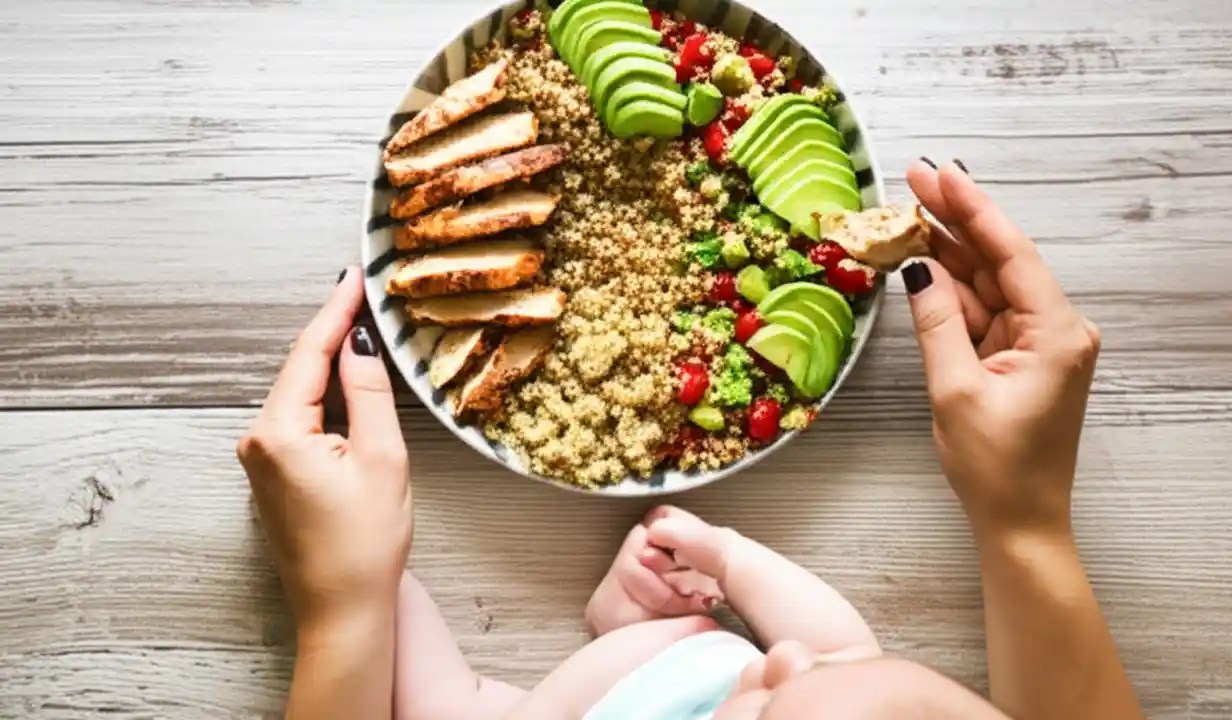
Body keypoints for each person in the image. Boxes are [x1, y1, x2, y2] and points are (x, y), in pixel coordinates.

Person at [237, 162, 1145, 720]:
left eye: (771, 703)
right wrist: (734, 558)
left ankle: (371, 572)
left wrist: (352, 605)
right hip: (670, 637)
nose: (784, 657)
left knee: (445, 699)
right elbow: (844, 647)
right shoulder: (833, 676)